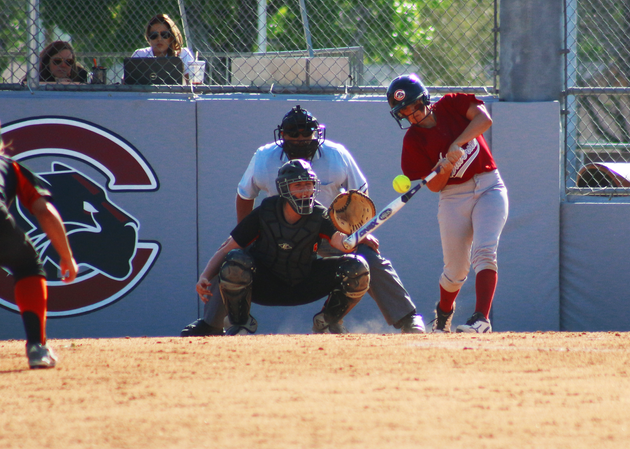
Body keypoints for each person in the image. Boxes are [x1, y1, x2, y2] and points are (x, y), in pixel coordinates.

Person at [181, 105, 426, 335]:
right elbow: (244, 196)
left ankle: (399, 317)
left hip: (327, 230)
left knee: (365, 256)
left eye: (306, 132)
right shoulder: (265, 158)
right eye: (292, 133)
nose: (300, 138)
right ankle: (211, 325)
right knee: (232, 255)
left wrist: (358, 233)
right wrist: (247, 234)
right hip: (276, 235)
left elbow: (358, 198)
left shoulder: (336, 156)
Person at [0, 111, 79, 367]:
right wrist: (66, 256)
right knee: (27, 266)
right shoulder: (7, 165)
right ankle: (37, 348)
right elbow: (44, 211)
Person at [386, 74, 509, 334]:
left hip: (489, 185)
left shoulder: (451, 104)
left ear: (424, 100)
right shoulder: (413, 141)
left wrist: (457, 142)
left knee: (485, 251)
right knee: (455, 270)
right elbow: (434, 186)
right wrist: (445, 167)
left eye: (412, 106)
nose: (411, 114)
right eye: (404, 111)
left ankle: (481, 320)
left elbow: (484, 119)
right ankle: (443, 316)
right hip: (453, 196)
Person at [193, 159, 369, 336]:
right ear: (285, 188)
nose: (305, 190)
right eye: (298, 185)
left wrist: (354, 237)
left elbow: (339, 241)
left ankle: (328, 323)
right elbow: (227, 248)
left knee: (357, 267)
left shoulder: (319, 213)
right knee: (235, 261)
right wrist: (205, 276)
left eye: (308, 185)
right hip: (264, 285)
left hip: (303, 282)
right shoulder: (265, 212)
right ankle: (240, 324)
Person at [130, 13, 194, 80]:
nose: (159, 39)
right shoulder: (140, 55)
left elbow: (192, 83)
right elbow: (127, 82)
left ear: (171, 36)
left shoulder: (183, 54)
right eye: (154, 35)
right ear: (148, 37)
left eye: (164, 34)